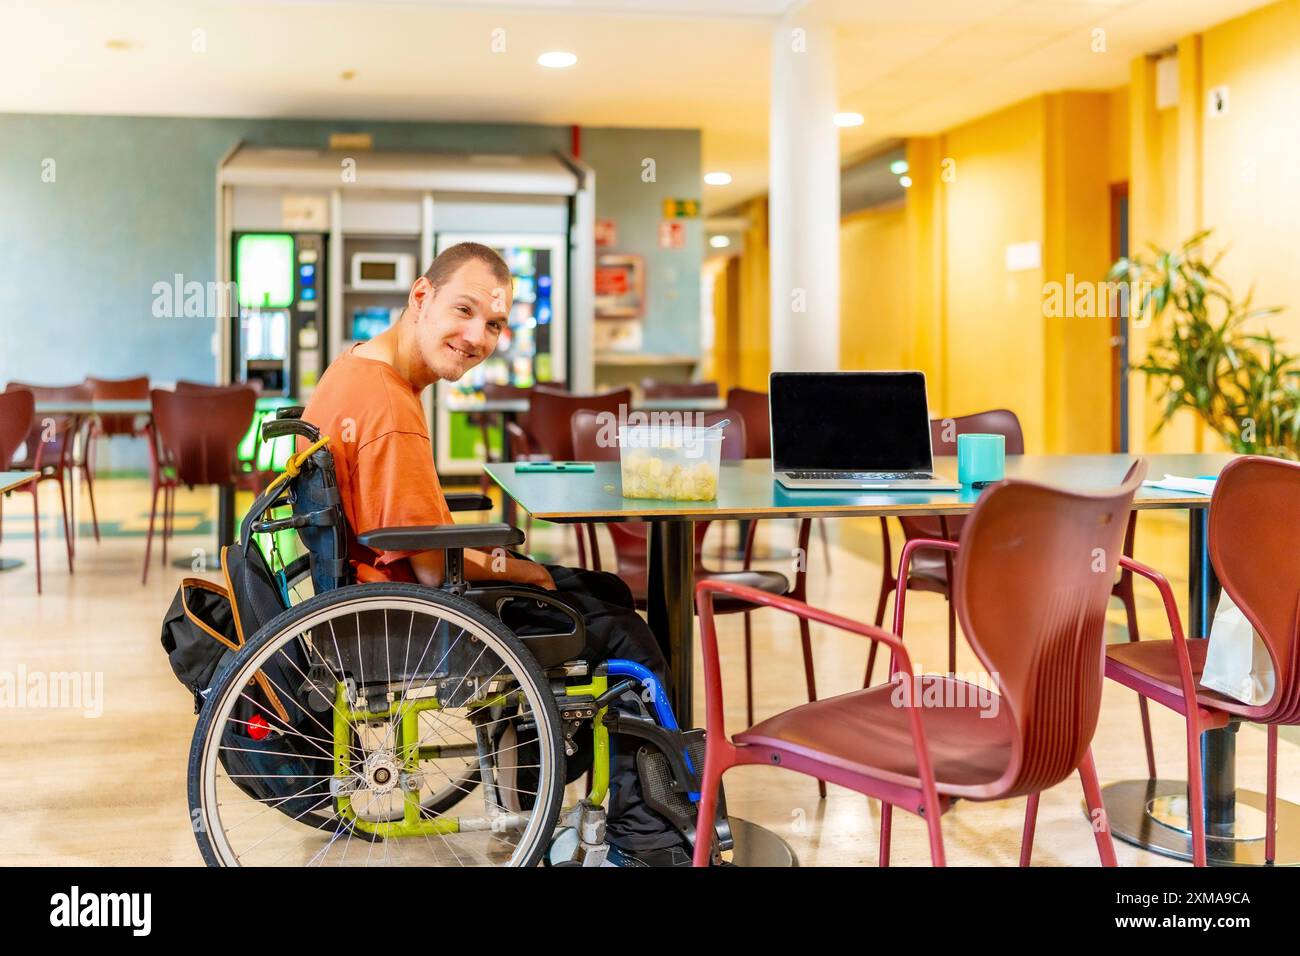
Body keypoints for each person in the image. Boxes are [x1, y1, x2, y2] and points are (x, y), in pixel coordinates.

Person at [300, 241, 692, 865]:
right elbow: (429, 562)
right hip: (411, 616)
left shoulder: (353, 369)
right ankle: (648, 836)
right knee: (623, 633)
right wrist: (526, 569)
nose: (477, 337)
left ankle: (539, 786)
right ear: (420, 296)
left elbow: (407, 524)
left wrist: (520, 567)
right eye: (464, 311)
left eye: (494, 324)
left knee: (604, 591)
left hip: (362, 599)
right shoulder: (390, 406)